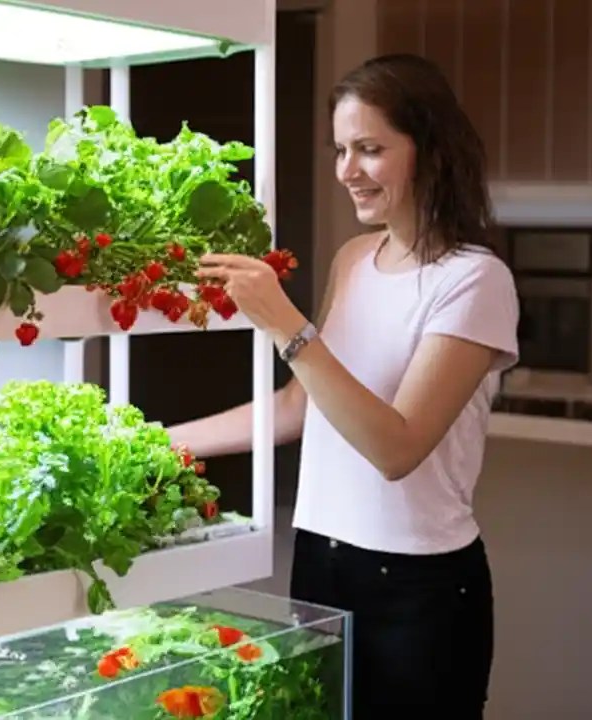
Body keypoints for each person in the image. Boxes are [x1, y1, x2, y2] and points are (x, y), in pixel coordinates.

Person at [168, 54, 518, 720]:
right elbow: (302, 406)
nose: (346, 170)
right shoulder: (354, 259)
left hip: (418, 588)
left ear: (430, 151)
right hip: (320, 563)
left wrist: (286, 326)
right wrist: (158, 441)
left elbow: (396, 448)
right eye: (340, 149)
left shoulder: (475, 281)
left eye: (369, 149)